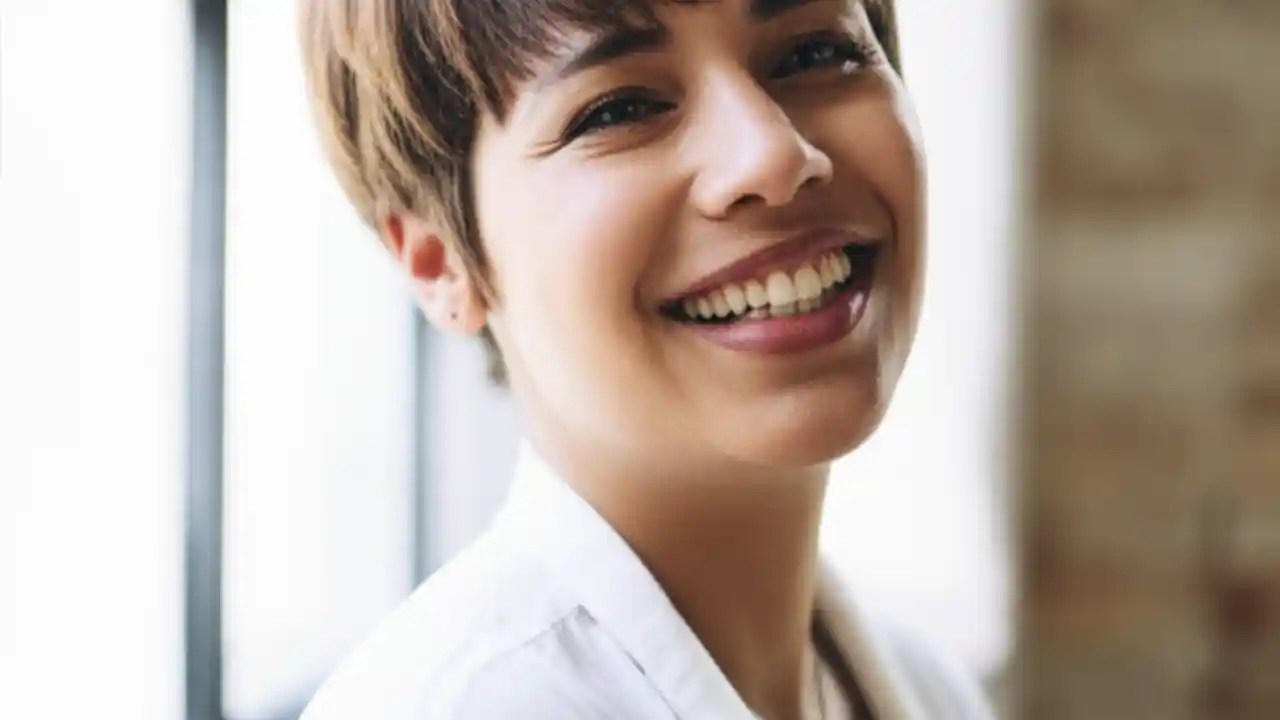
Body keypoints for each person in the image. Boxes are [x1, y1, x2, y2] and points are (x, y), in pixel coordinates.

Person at [298, 0, 994, 717]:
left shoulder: (930, 688)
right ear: (438, 261)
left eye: (817, 53)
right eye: (618, 109)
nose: (775, 156)